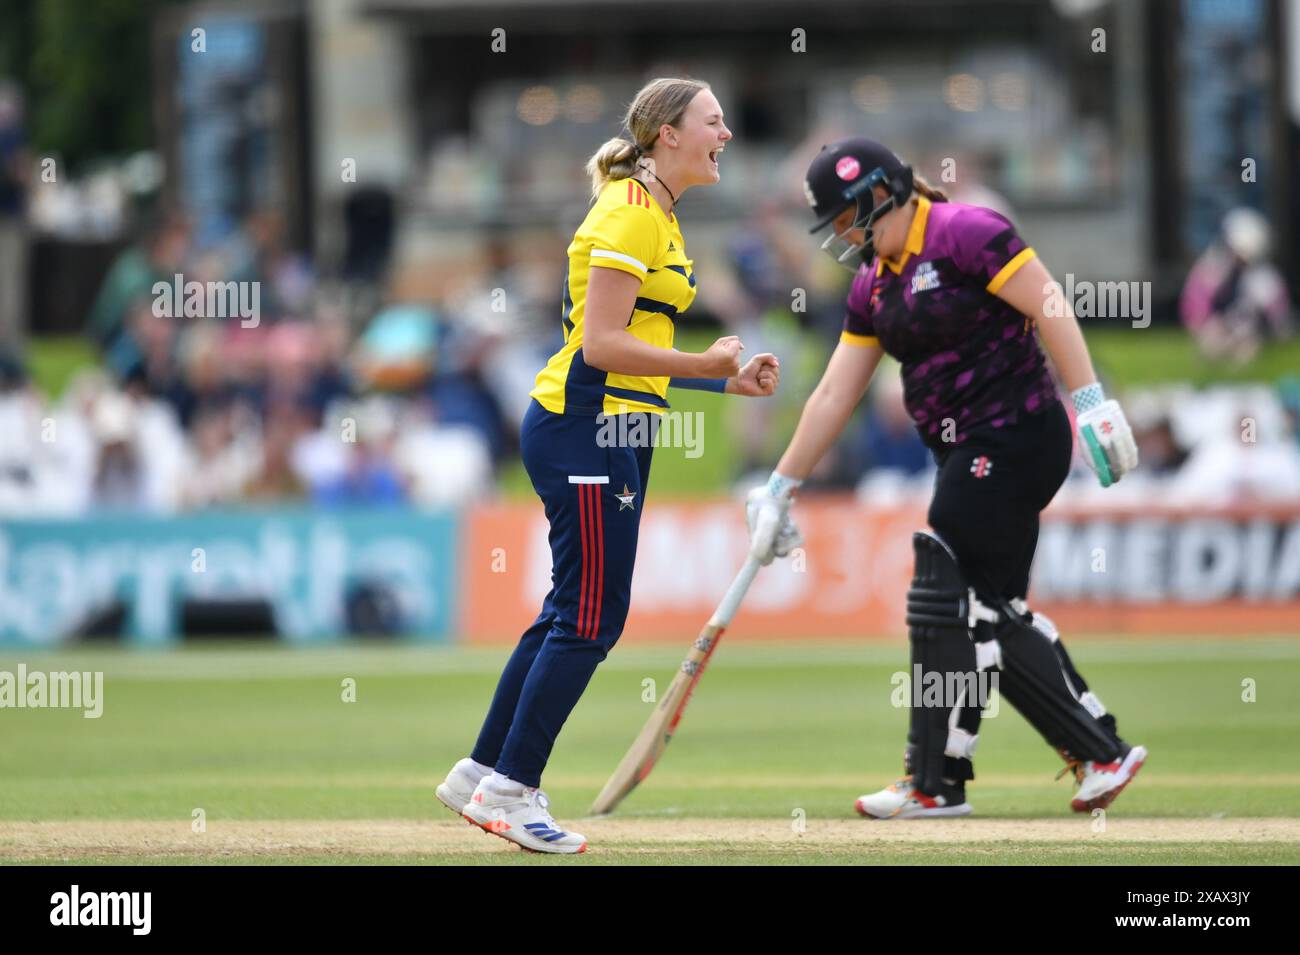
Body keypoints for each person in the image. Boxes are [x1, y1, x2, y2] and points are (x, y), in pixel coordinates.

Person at [747, 137, 1145, 819]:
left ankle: (1076, 752)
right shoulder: (874, 283)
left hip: (1019, 432)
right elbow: (834, 394)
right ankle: (942, 780)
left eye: (844, 216)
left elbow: (1048, 302)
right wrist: (780, 486)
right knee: (968, 608)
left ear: (878, 195)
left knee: (950, 559)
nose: (839, 235)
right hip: (961, 452)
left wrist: (1091, 403)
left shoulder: (967, 233)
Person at [436, 78, 780, 853]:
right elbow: (601, 346)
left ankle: (483, 769)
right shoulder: (630, 211)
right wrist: (702, 363)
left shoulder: (654, 212)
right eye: (713, 122)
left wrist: (729, 378)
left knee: (571, 608)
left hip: (611, 426)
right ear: (667, 135)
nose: (726, 134)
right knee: (591, 617)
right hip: (585, 426)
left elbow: (636, 342)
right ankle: (512, 789)